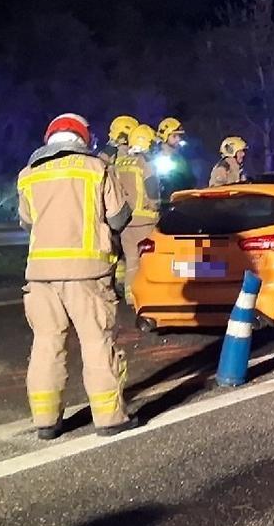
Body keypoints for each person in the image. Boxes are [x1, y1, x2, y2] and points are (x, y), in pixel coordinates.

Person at [16, 113, 136, 439]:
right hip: (87, 273)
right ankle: (109, 418)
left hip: (40, 275)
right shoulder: (97, 168)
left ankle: (46, 421)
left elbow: (27, 222)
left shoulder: (28, 174)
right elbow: (119, 218)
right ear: (85, 138)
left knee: (46, 344)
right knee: (97, 342)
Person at [113, 124, 161, 305]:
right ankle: (148, 296)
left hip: (126, 222)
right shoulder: (145, 162)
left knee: (131, 260)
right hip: (145, 221)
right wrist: (156, 205)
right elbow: (152, 187)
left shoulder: (119, 163)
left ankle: (131, 296)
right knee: (148, 261)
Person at [155, 117, 195, 201]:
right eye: (174, 136)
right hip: (161, 203)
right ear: (165, 136)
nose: (178, 139)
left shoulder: (181, 159)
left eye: (179, 136)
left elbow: (190, 182)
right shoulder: (153, 159)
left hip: (179, 203)